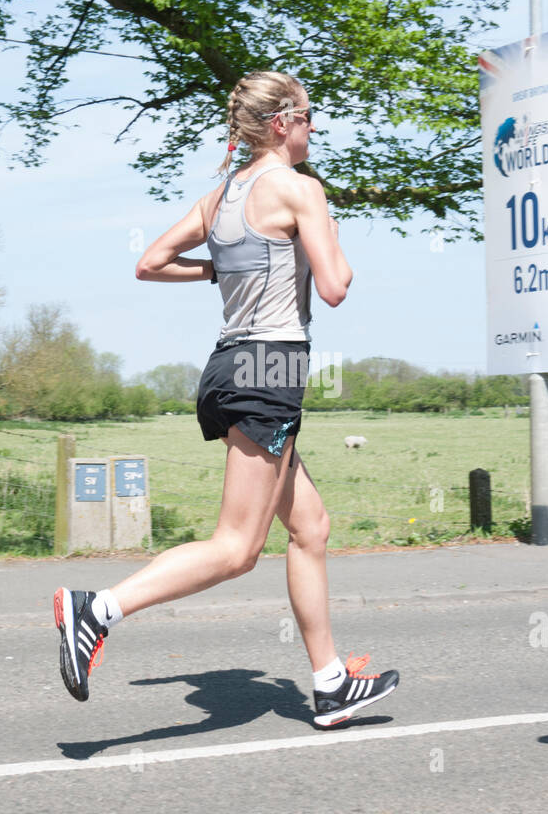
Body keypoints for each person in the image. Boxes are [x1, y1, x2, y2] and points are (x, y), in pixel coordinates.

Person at [54, 70, 399, 728]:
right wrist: (325, 231)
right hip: (271, 367)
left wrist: (217, 266)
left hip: (227, 366)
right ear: (281, 123)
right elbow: (334, 287)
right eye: (307, 116)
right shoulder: (300, 191)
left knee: (310, 527)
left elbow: (150, 261)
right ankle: (94, 611)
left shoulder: (221, 199)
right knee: (238, 548)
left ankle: (329, 685)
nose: (313, 128)